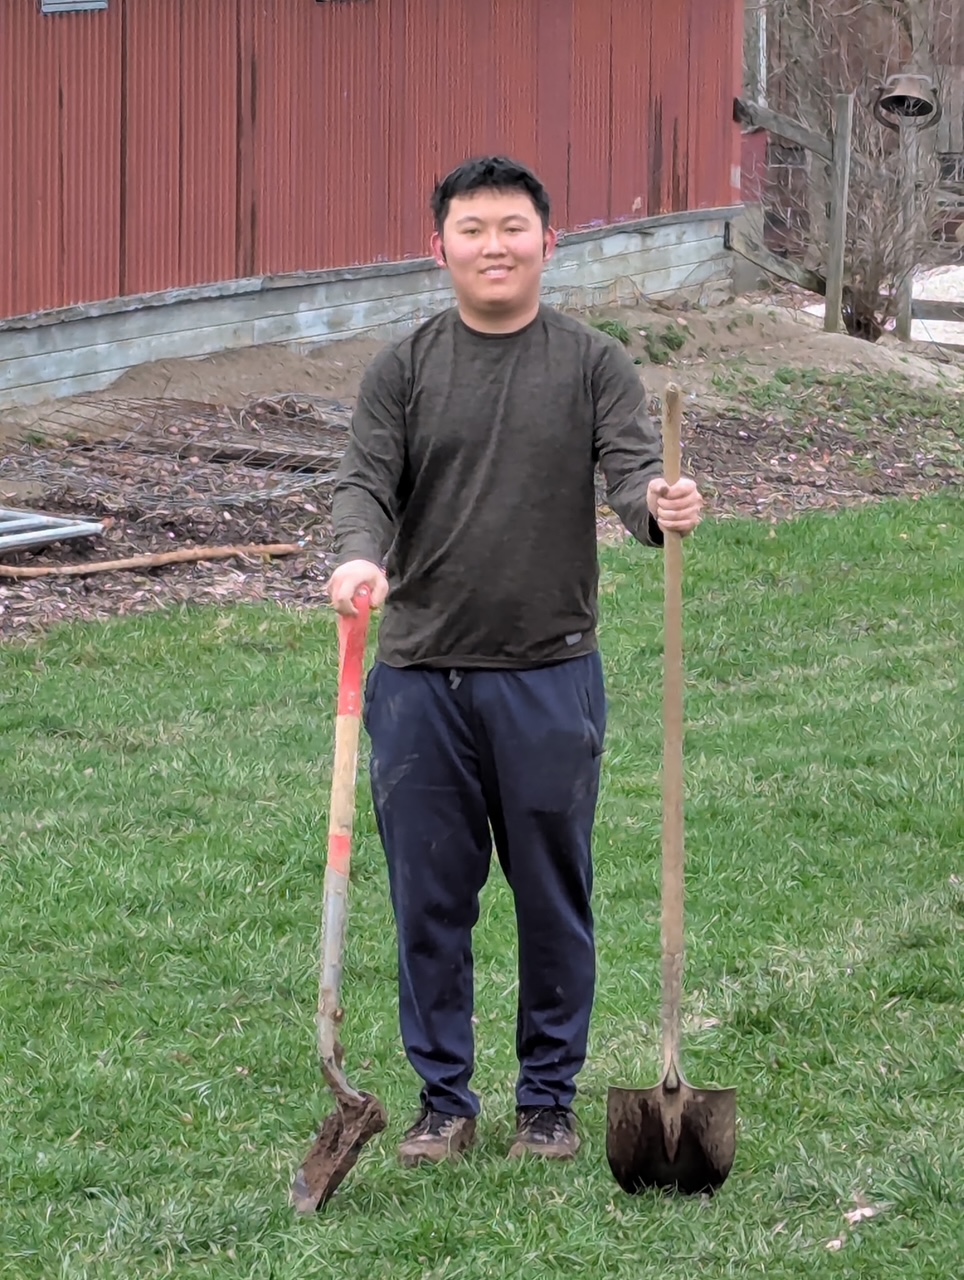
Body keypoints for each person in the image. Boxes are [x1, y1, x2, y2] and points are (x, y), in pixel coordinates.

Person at [327, 156, 704, 1169]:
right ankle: (442, 1099)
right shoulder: (403, 368)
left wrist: (657, 510)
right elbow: (363, 482)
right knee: (430, 902)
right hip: (418, 678)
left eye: (512, 227)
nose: (493, 245)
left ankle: (547, 1099)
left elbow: (632, 477)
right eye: (471, 228)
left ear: (549, 240)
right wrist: (358, 552)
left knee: (552, 896)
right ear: (438, 246)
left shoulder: (591, 363)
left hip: (547, 674)